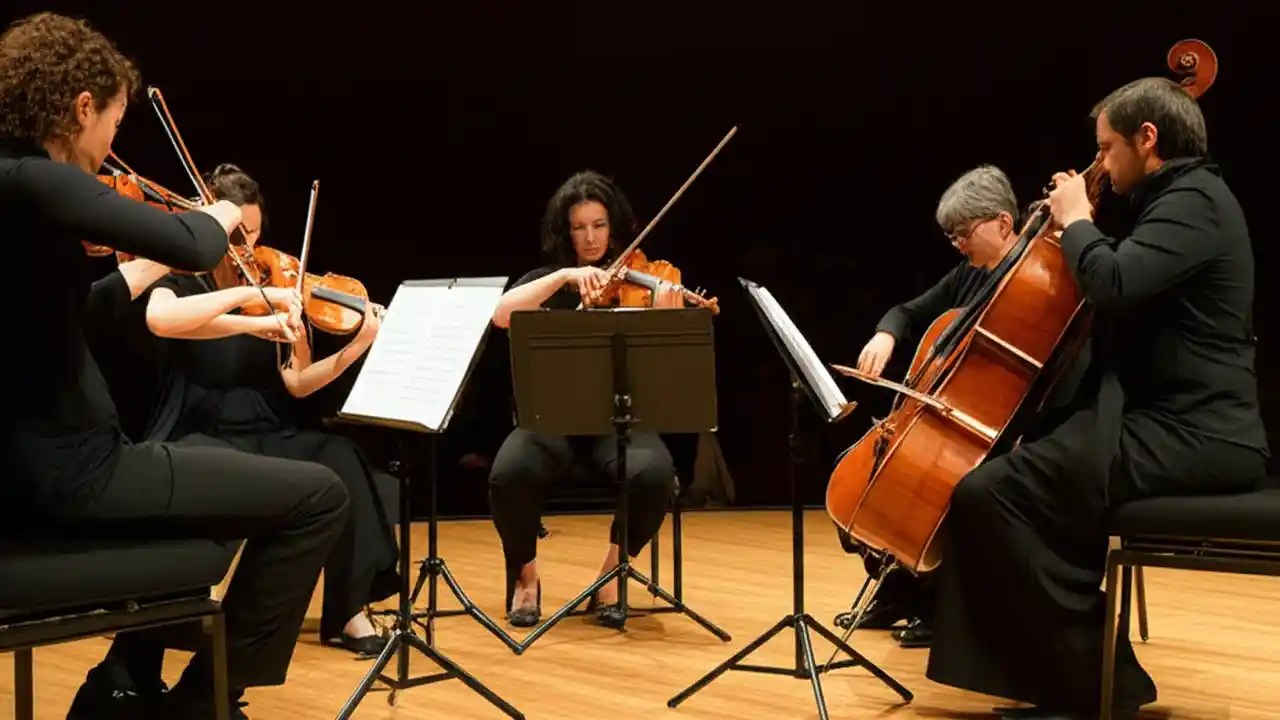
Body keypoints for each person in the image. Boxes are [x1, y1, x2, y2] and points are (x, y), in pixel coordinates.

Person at [0, 12, 350, 720]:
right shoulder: (39, 180)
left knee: (210, 470)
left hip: (25, 470)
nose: (109, 152)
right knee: (320, 496)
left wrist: (146, 262)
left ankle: (130, 680)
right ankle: (205, 705)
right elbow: (195, 243)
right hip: (79, 472)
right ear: (81, 107)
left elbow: (80, 312)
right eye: (114, 129)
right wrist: (219, 212)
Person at [925, 77, 1269, 717]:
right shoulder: (1178, 200)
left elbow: (1112, 281)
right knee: (1001, 483)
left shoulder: (1195, 200)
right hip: (1160, 421)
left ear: (1148, 139)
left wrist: (1078, 218)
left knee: (993, 492)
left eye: (1107, 149)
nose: (1101, 164)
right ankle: (1079, 679)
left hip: (1199, 433)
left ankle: (1095, 689)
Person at [140, 163, 399, 657]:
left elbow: (297, 384)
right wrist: (243, 310)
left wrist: (355, 347)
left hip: (262, 428)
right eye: (236, 235)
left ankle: (348, 609)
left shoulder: (275, 286)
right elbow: (160, 318)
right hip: (201, 431)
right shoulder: (180, 279)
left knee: (339, 456)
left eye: (254, 236)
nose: (245, 250)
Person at [836, 164, 1026, 648]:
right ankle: (900, 589)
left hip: (994, 427)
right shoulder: (968, 274)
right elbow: (908, 311)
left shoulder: (1024, 286)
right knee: (860, 475)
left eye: (965, 233)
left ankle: (939, 602)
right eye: (952, 236)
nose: (959, 245)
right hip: (943, 415)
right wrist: (886, 333)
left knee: (935, 491)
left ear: (1003, 223)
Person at [488, 169, 682, 628]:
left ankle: (612, 577)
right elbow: (499, 315)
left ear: (613, 226)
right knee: (507, 474)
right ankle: (525, 577)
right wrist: (566, 277)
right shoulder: (547, 280)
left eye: (598, 225)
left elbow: (664, 366)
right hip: (548, 422)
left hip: (617, 424)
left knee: (656, 475)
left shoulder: (637, 282)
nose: (590, 238)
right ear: (565, 231)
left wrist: (667, 320)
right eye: (579, 228)